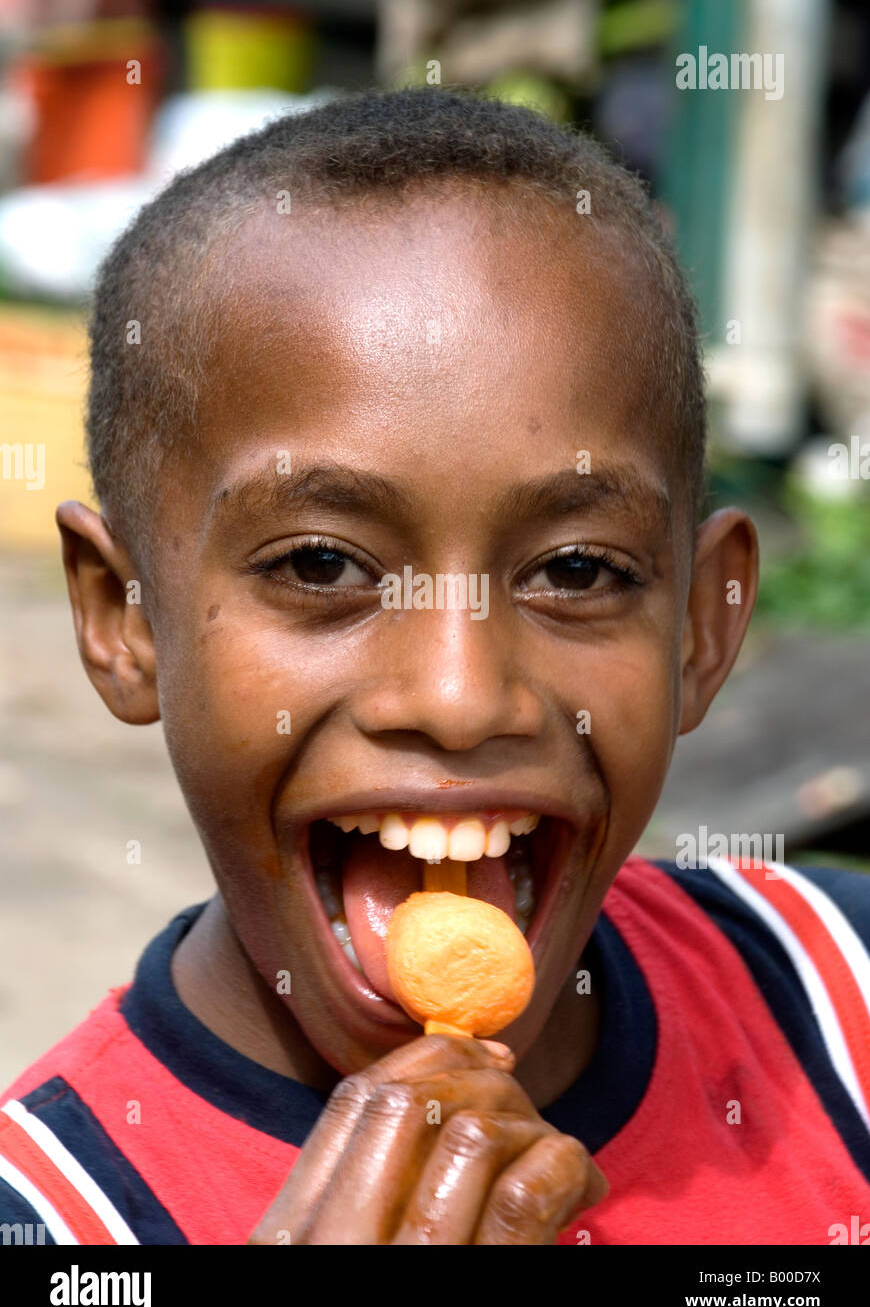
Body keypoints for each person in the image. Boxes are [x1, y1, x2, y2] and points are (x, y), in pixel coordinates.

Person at [1, 88, 868, 1245]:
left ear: (703, 628)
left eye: (575, 570)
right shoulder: (59, 1223)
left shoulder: (835, 998)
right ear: (125, 616)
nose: (460, 700)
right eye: (320, 564)